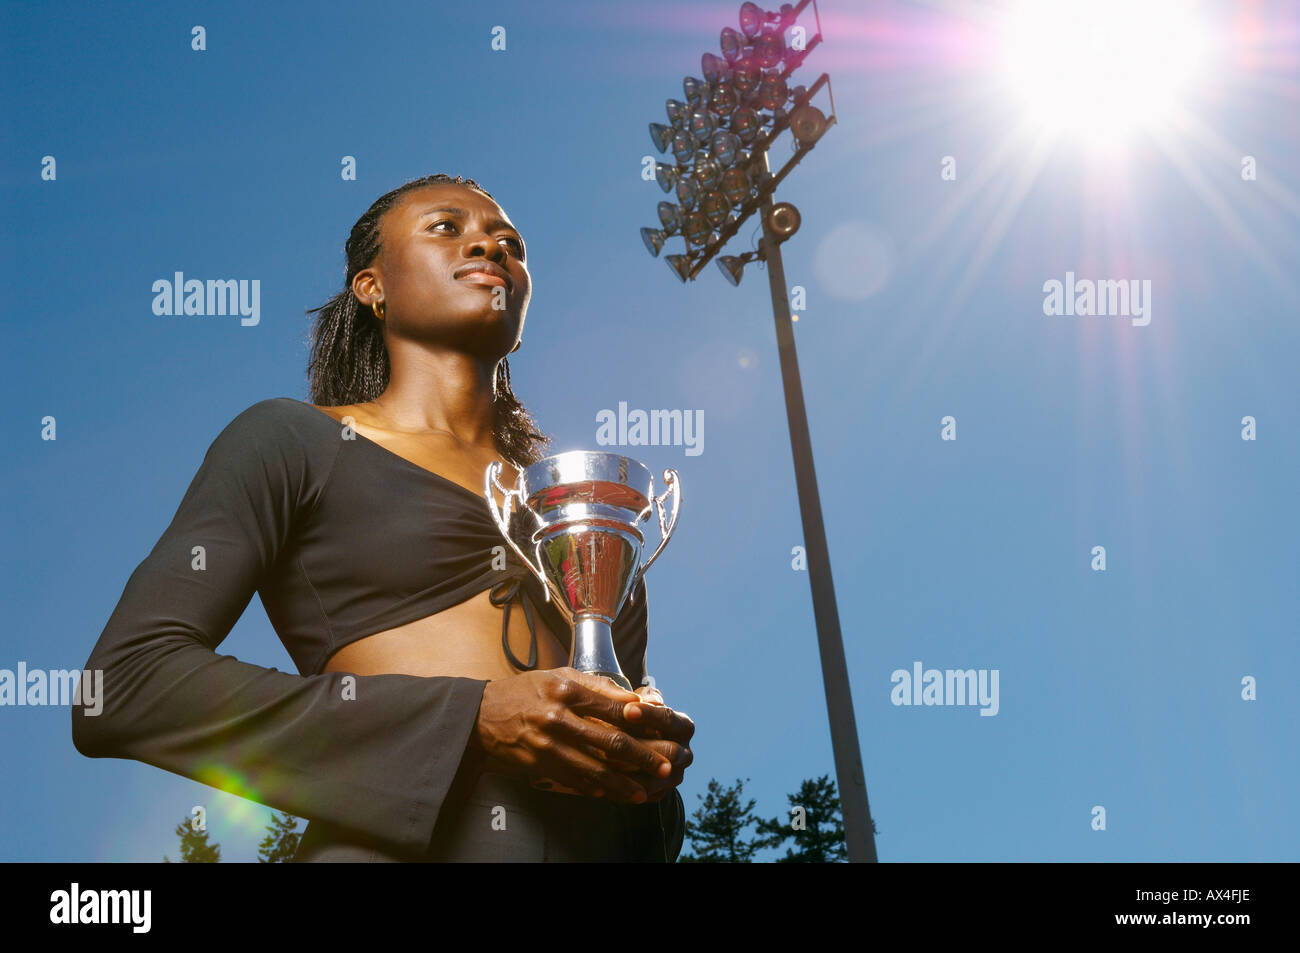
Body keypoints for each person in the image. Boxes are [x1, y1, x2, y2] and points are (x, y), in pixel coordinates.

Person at [71, 173, 694, 862]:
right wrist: (469, 721)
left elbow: (616, 715)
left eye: (511, 242)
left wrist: (646, 752)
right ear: (373, 287)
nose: (491, 242)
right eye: (446, 227)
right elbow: (125, 684)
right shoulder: (290, 442)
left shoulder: (583, 511)